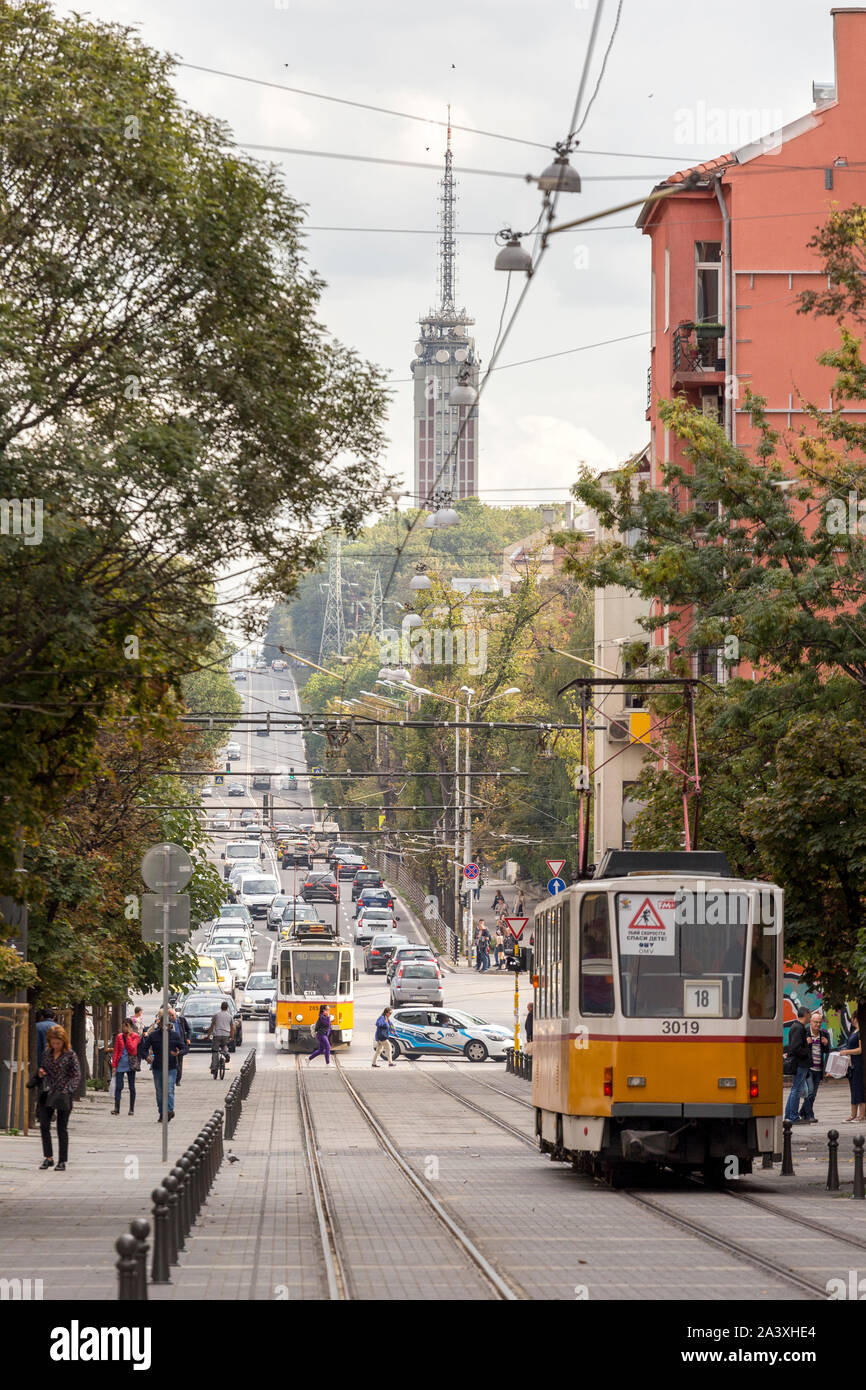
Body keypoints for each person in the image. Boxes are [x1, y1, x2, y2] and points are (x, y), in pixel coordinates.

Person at [36, 1024, 80, 1171]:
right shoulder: (47, 1053)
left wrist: (67, 1090)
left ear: (64, 1041)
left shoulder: (70, 1055)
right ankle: (48, 1157)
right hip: (48, 1092)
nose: (56, 1046)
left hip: (63, 1094)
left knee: (62, 1127)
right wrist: (41, 1073)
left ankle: (62, 1161)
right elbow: (44, 1068)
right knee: (44, 1125)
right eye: (53, 1043)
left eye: (58, 1043)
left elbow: (76, 1075)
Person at [140, 1010, 183, 1122]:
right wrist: (147, 1057)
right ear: (159, 1024)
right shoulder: (153, 1036)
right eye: (162, 1025)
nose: (165, 1027)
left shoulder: (175, 1035)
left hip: (171, 1067)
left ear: (170, 1025)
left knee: (169, 1090)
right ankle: (161, 1112)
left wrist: (178, 1053)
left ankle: (169, 1110)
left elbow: (184, 1048)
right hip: (158, 1067)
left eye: (167, 1025)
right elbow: (143, 1049)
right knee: (159, 1092)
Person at [798, 1010, 831, 1123]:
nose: (817, 1024)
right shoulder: (805, 1033)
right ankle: (809, 1115)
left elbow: (827, 1051)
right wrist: (806, 1043)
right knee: (810, 1091)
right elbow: (800, 1048)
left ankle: (802, 1112)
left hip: (819, 1068)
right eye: (815, 1022)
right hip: (809, 1068)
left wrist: (826, 1044)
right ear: (810, 1022)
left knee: (814, 1094)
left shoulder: (824, 1034)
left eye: (819, 1022)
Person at [783, 1007, 812, 1123]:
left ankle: (789, 1116)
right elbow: (795, 1048)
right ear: (805, 1014)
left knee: (795, 1089)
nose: (810, 1017)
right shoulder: (798, 1028)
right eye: (810, 1014)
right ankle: (793, 1117)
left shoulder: (797, 1027)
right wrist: (807, 1053)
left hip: (800, 1063)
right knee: (796, 1089)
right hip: (800, 1063)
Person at [839, 1006, 865, 1122]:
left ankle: (861, 1115)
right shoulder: (854, 1031)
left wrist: (846, 1052)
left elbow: (860, 1049)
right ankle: (852, 1114)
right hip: (852, 1065)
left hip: (859, 1064)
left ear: (855, 1018)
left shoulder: (860, 1033)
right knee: (854, 1090)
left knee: (860, 1089)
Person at [110, 1018, 139, 1116]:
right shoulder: (119, 1037)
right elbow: (116, 1051)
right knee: (118, 1086)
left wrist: (129, 1036)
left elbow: (133, 1049)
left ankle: (131, 1109)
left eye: (126, 1026)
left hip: (130, 1064)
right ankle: (116, 1108)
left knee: (131, 1086)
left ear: (130, 1027)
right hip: (120, 1064)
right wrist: (114, 1065)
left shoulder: (135, 1036)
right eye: (123, 1026)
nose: (124, 1028)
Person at [204, 1000, 235, 1075]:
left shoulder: (216, 1015)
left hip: (217, 1035)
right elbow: (232, 1028)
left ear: (221, 1007)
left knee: (215, 1051)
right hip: (226, 1035)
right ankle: (226, 1054)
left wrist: (208, 1036)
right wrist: (232, 1037)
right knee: (224, 1045)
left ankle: (214, 1068)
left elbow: (212, 1026)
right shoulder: (230, 1016)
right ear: (227, 1008)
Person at [172, 1006, 191, 1085]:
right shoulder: (167, 1022)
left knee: (179, 1062)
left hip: (180, 1043)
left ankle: (178, 1079)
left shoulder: (181, 1020)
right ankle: (172, 1078)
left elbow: (188, 1029)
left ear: (175, 1015)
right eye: (169, 1016)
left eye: (172, 1015)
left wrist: (188, 1038)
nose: (171, 1017)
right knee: (172, 1062)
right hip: (171, 1044)